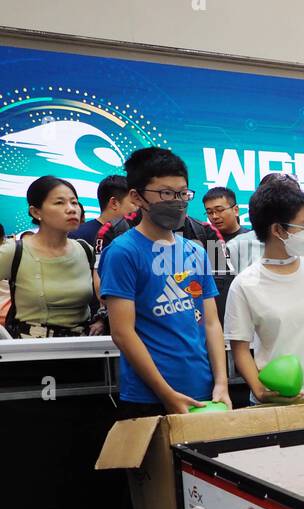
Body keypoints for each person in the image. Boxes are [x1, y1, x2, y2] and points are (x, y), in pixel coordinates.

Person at [100, 147, 229, 416]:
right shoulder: (123, 251)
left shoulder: (197, 250)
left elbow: (211, 322)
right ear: (137, 197)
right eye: (166, 194)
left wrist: (221, 382)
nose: (178, 201)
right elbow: (123, 333)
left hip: (204, 390)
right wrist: (166, 393)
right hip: (148, 396)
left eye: (183, 193)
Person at [225, 176, 304, 402]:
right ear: (278, 230)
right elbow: (240, 348)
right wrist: (260, 391)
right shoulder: (245, 284)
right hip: (279, 401)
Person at [0, 176, 101, 338]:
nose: (71, 209)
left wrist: (101, 319)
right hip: (29, 353)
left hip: (82, 350)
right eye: (59, 203)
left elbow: (106, 296)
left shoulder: (85, 250)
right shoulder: (14, 251)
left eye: (74, 202)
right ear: (36, 212)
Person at [72, 175, 136, 252]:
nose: (138, 207)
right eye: (134, 203)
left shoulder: (134, 235)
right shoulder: (78, 237)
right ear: (114, 203)